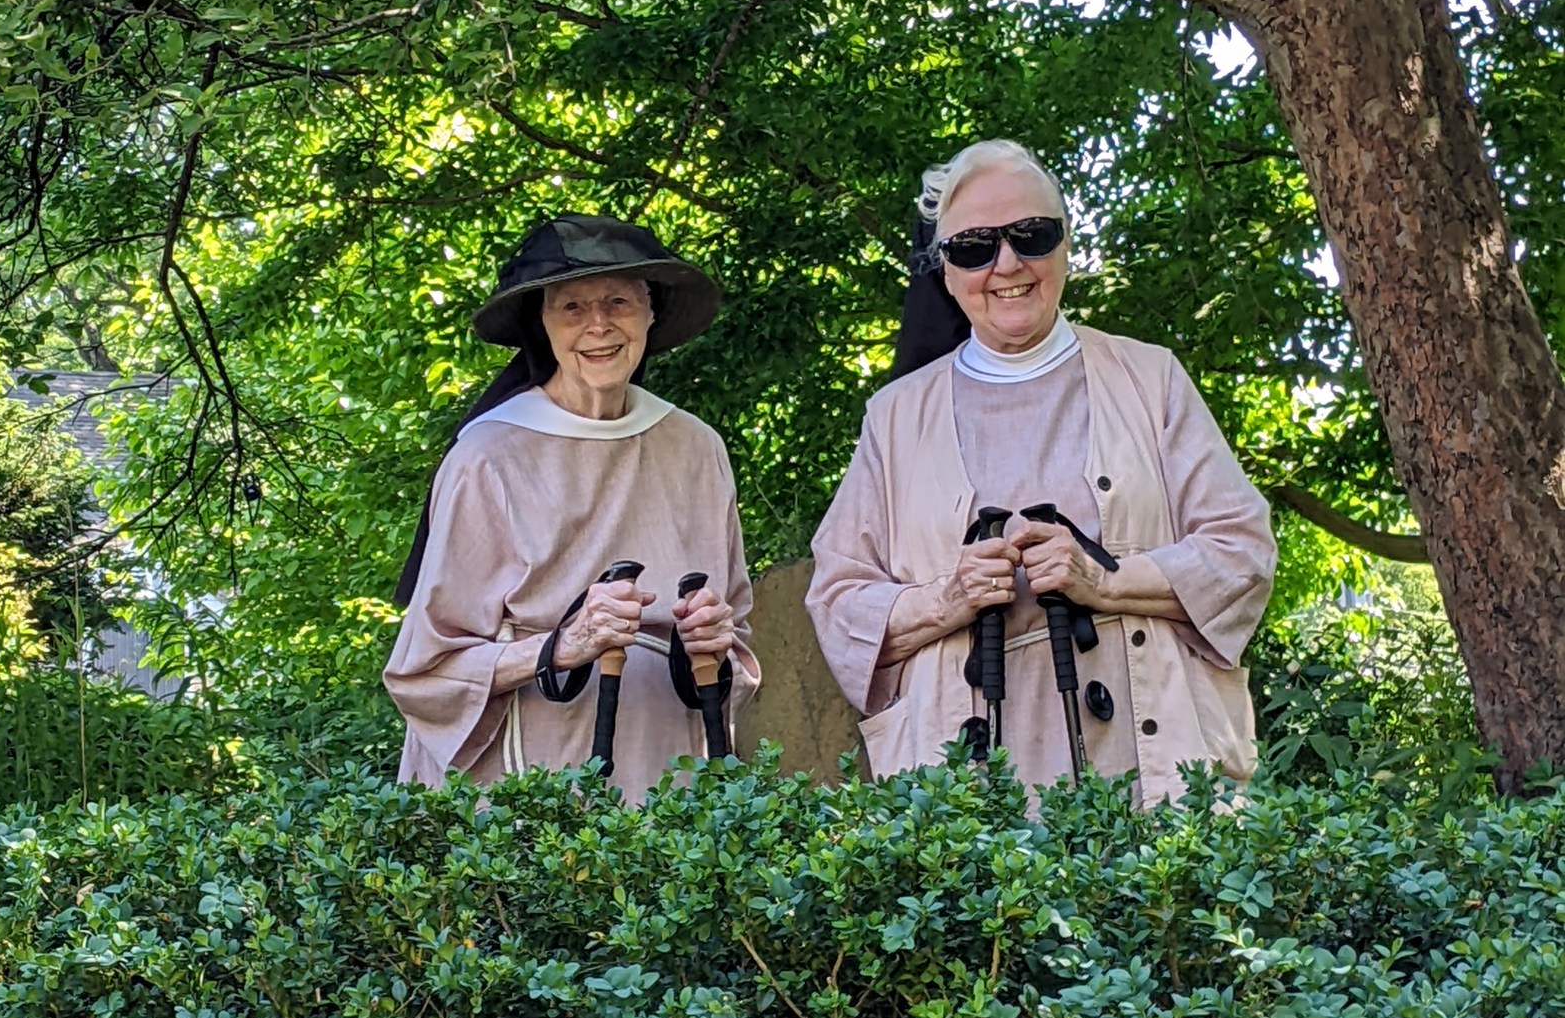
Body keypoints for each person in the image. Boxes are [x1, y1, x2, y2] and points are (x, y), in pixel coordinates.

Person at [807, 140, 1276, 803]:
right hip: (961, 780)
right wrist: (949, 598)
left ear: (1065, 244)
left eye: (1031, 235)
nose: (1007, 264)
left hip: (1150, 759)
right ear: (946, 270)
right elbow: (838, 602)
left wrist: (1105, 580)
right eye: (974, 247)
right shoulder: (894, 418)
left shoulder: (1151, 380)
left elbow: (1242, 553)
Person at [385, 215, 758, 801]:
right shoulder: (488, 456)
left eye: (619, 302)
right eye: (573, 308)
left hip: (670, 757)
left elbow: (737, 637)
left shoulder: (696, 447)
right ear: (544, 323)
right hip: (531, 770)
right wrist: (562, 646)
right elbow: (427, 672)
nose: (599, 326)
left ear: (651, 311)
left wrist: (713, 638)